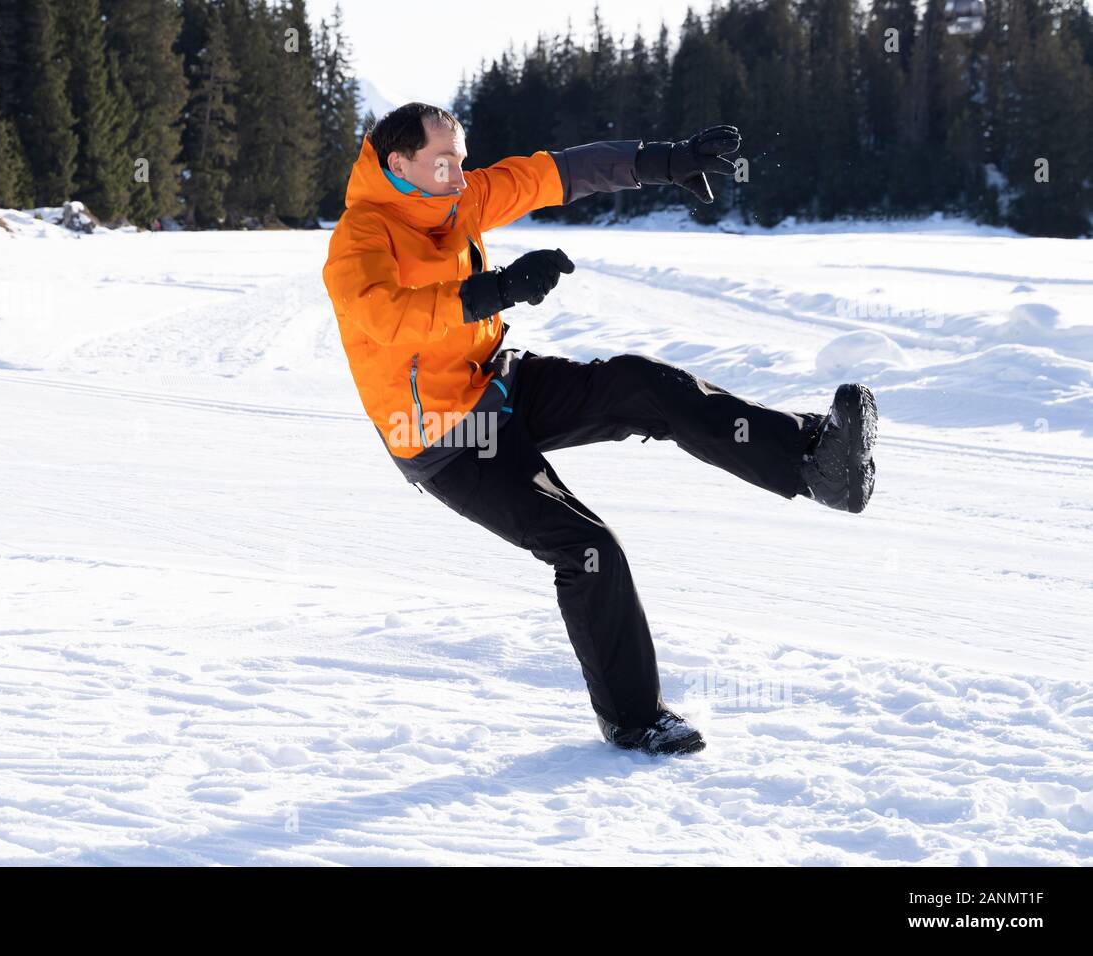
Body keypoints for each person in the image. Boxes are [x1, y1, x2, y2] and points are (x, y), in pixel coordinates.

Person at [322, 103, 878, 756]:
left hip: (497, 384)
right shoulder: (360, 237)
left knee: (641, 385)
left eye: (461, 159)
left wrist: (661, 162)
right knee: (589, 550)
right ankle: (634, 718)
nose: (458, 173)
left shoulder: (457, 197)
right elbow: (383, 316)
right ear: (398, 165)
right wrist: (491, 292)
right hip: (446, 438)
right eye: (443, 162)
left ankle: (817, 463)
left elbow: (553, 174)